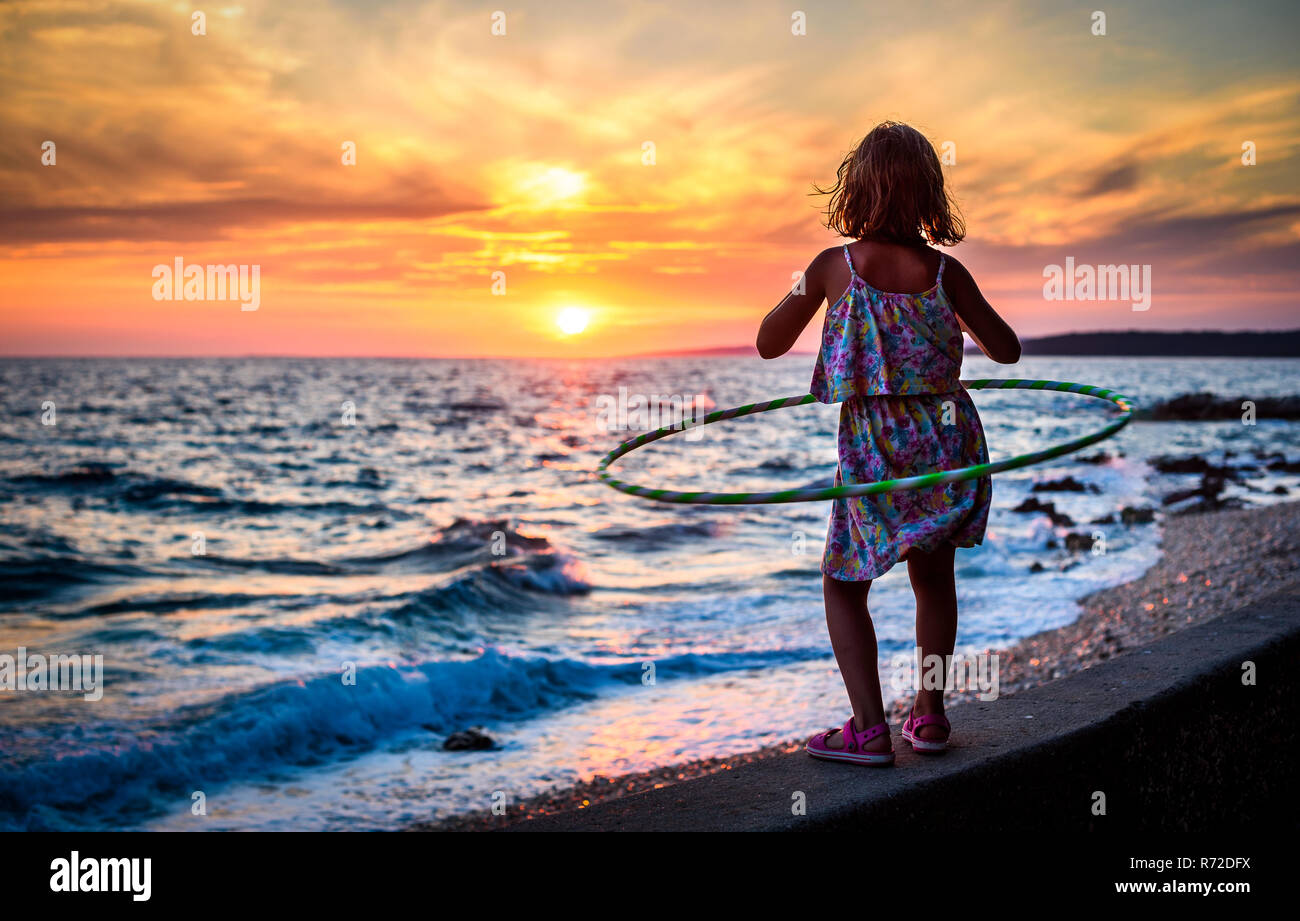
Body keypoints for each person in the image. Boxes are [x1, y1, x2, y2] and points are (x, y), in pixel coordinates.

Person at [756, 121, 1021, 765]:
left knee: (844, 581)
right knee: (933, 581)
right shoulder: (946, 273)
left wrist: (812, 295)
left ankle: (869, 729)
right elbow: (1007, 350)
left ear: (856, 191)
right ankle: (929, 719)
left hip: (877, 448)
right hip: (947, 441)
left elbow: (768, 341)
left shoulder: (831, 268)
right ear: (930, 195)